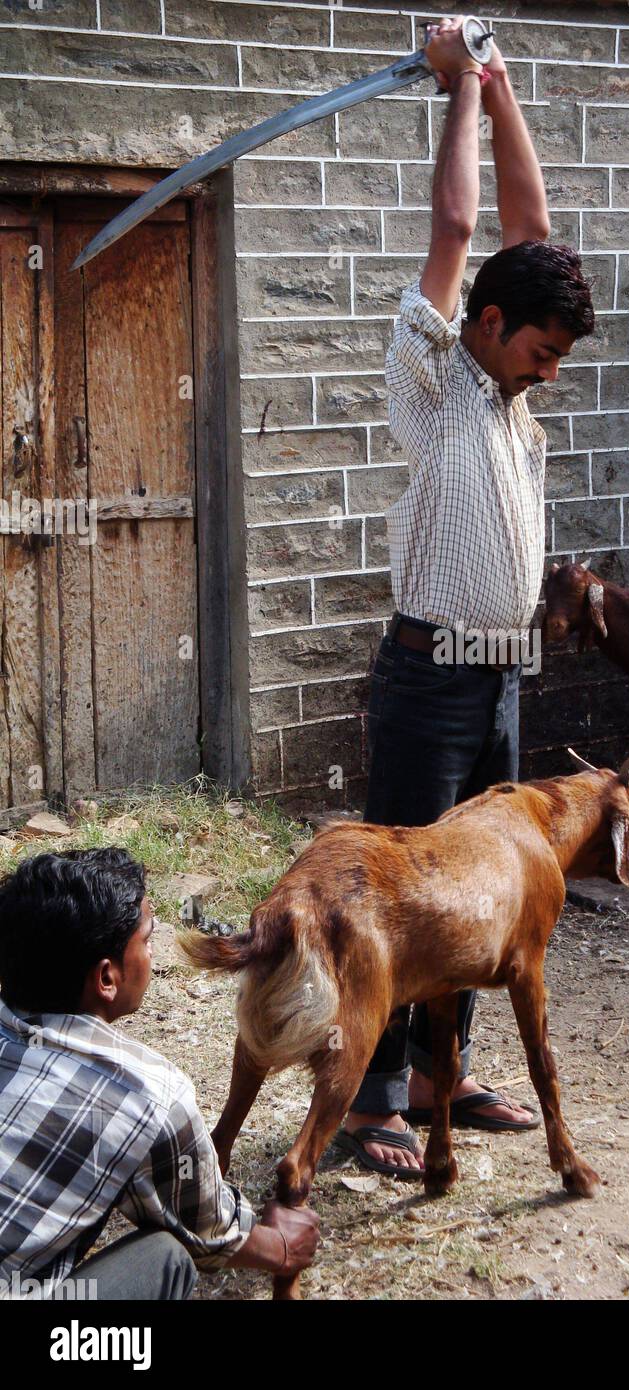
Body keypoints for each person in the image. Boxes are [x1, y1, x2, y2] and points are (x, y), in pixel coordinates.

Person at [337, 17, 595, 1178]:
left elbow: (527, 234)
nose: (550, 372)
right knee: (403, 889)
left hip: (499, 673)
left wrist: (498, 82)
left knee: (479, 890)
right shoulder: (439, 384)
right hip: (429, 668)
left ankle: (446, 1074)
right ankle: (369, 1096)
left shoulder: (509, 398)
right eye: (541, 352)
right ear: (485, 330)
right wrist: (450, 89)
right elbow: (459, 228)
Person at [0, 847, 319, 1300]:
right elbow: (209, 1233)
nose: (153, 954)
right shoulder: (147, 1094)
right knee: (165, 1258)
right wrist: (284, 1245)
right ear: (106, 978)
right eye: (147, 941)